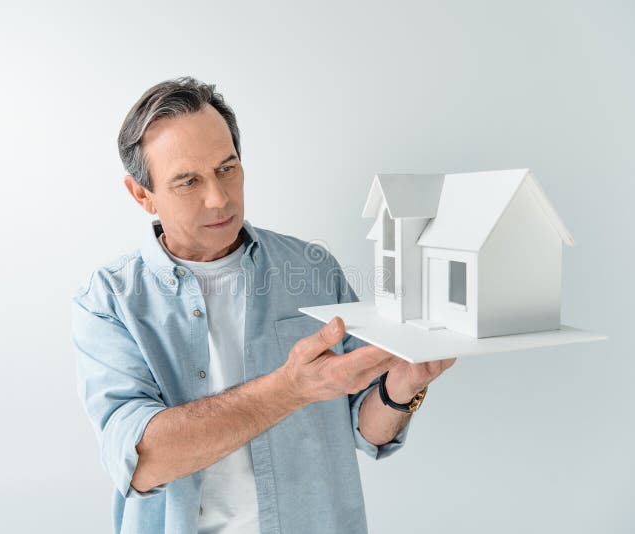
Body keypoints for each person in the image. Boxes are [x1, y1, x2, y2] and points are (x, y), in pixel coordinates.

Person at [71, 76, 456, 534]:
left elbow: (365, 429)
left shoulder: (312, 269)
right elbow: (143, 460)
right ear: (142, 194)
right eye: (187, 181)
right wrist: (293, 387)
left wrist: (402, 386)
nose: (218, 198)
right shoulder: (108, 302)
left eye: (226, 168)